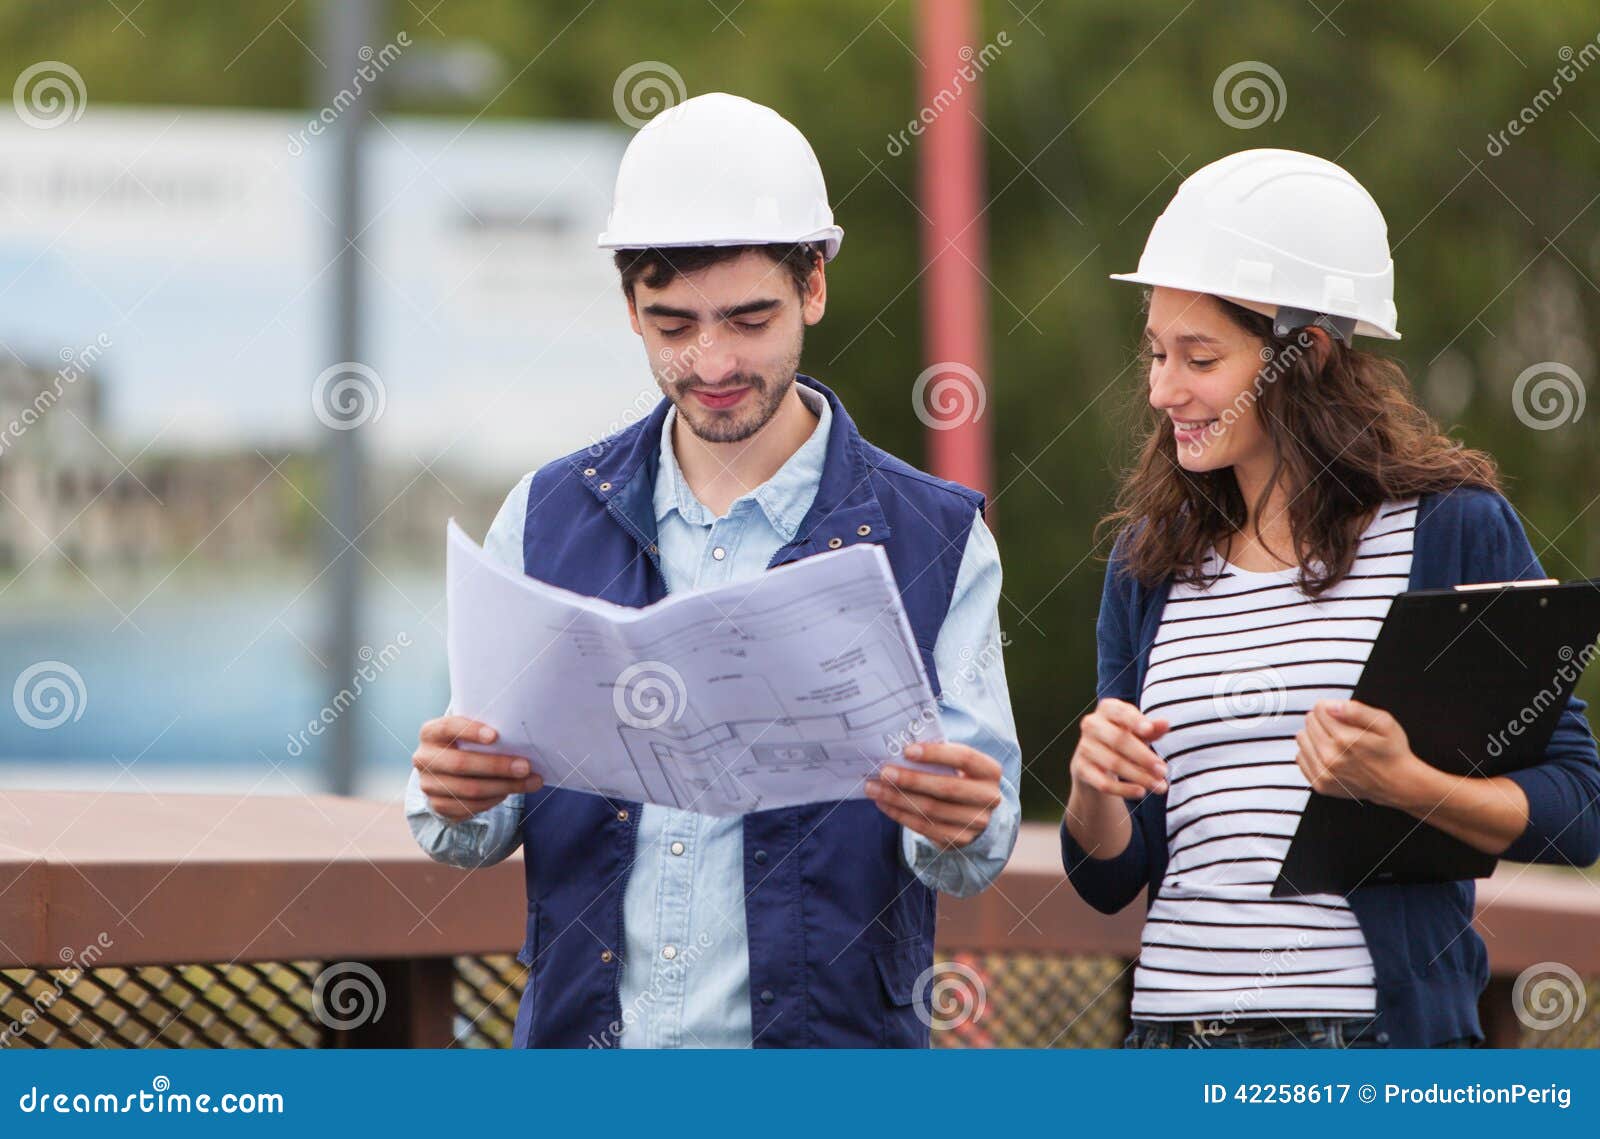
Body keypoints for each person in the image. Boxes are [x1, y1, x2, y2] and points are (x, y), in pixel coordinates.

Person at [405, 92, 1021, 1048]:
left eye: (748, 318)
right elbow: (469, 826)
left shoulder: (936, 538)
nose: (711, 360)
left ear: (814, 284)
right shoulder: (541, 516)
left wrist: (959, 817)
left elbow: (972, 852)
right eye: (672, 324)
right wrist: (453, 791)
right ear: (629, 307)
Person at [1062, 148, 1600, 1049]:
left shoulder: (1452, 532)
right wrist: (1092, 791)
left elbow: (1578, 808)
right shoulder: (1147, 565)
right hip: (1169, 1045)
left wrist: (1408, 786)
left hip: (1375, 1047)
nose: (1163, 391)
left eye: (1199, 357)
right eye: (1157, 353)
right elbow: (1115, 876)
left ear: (1302, 353)